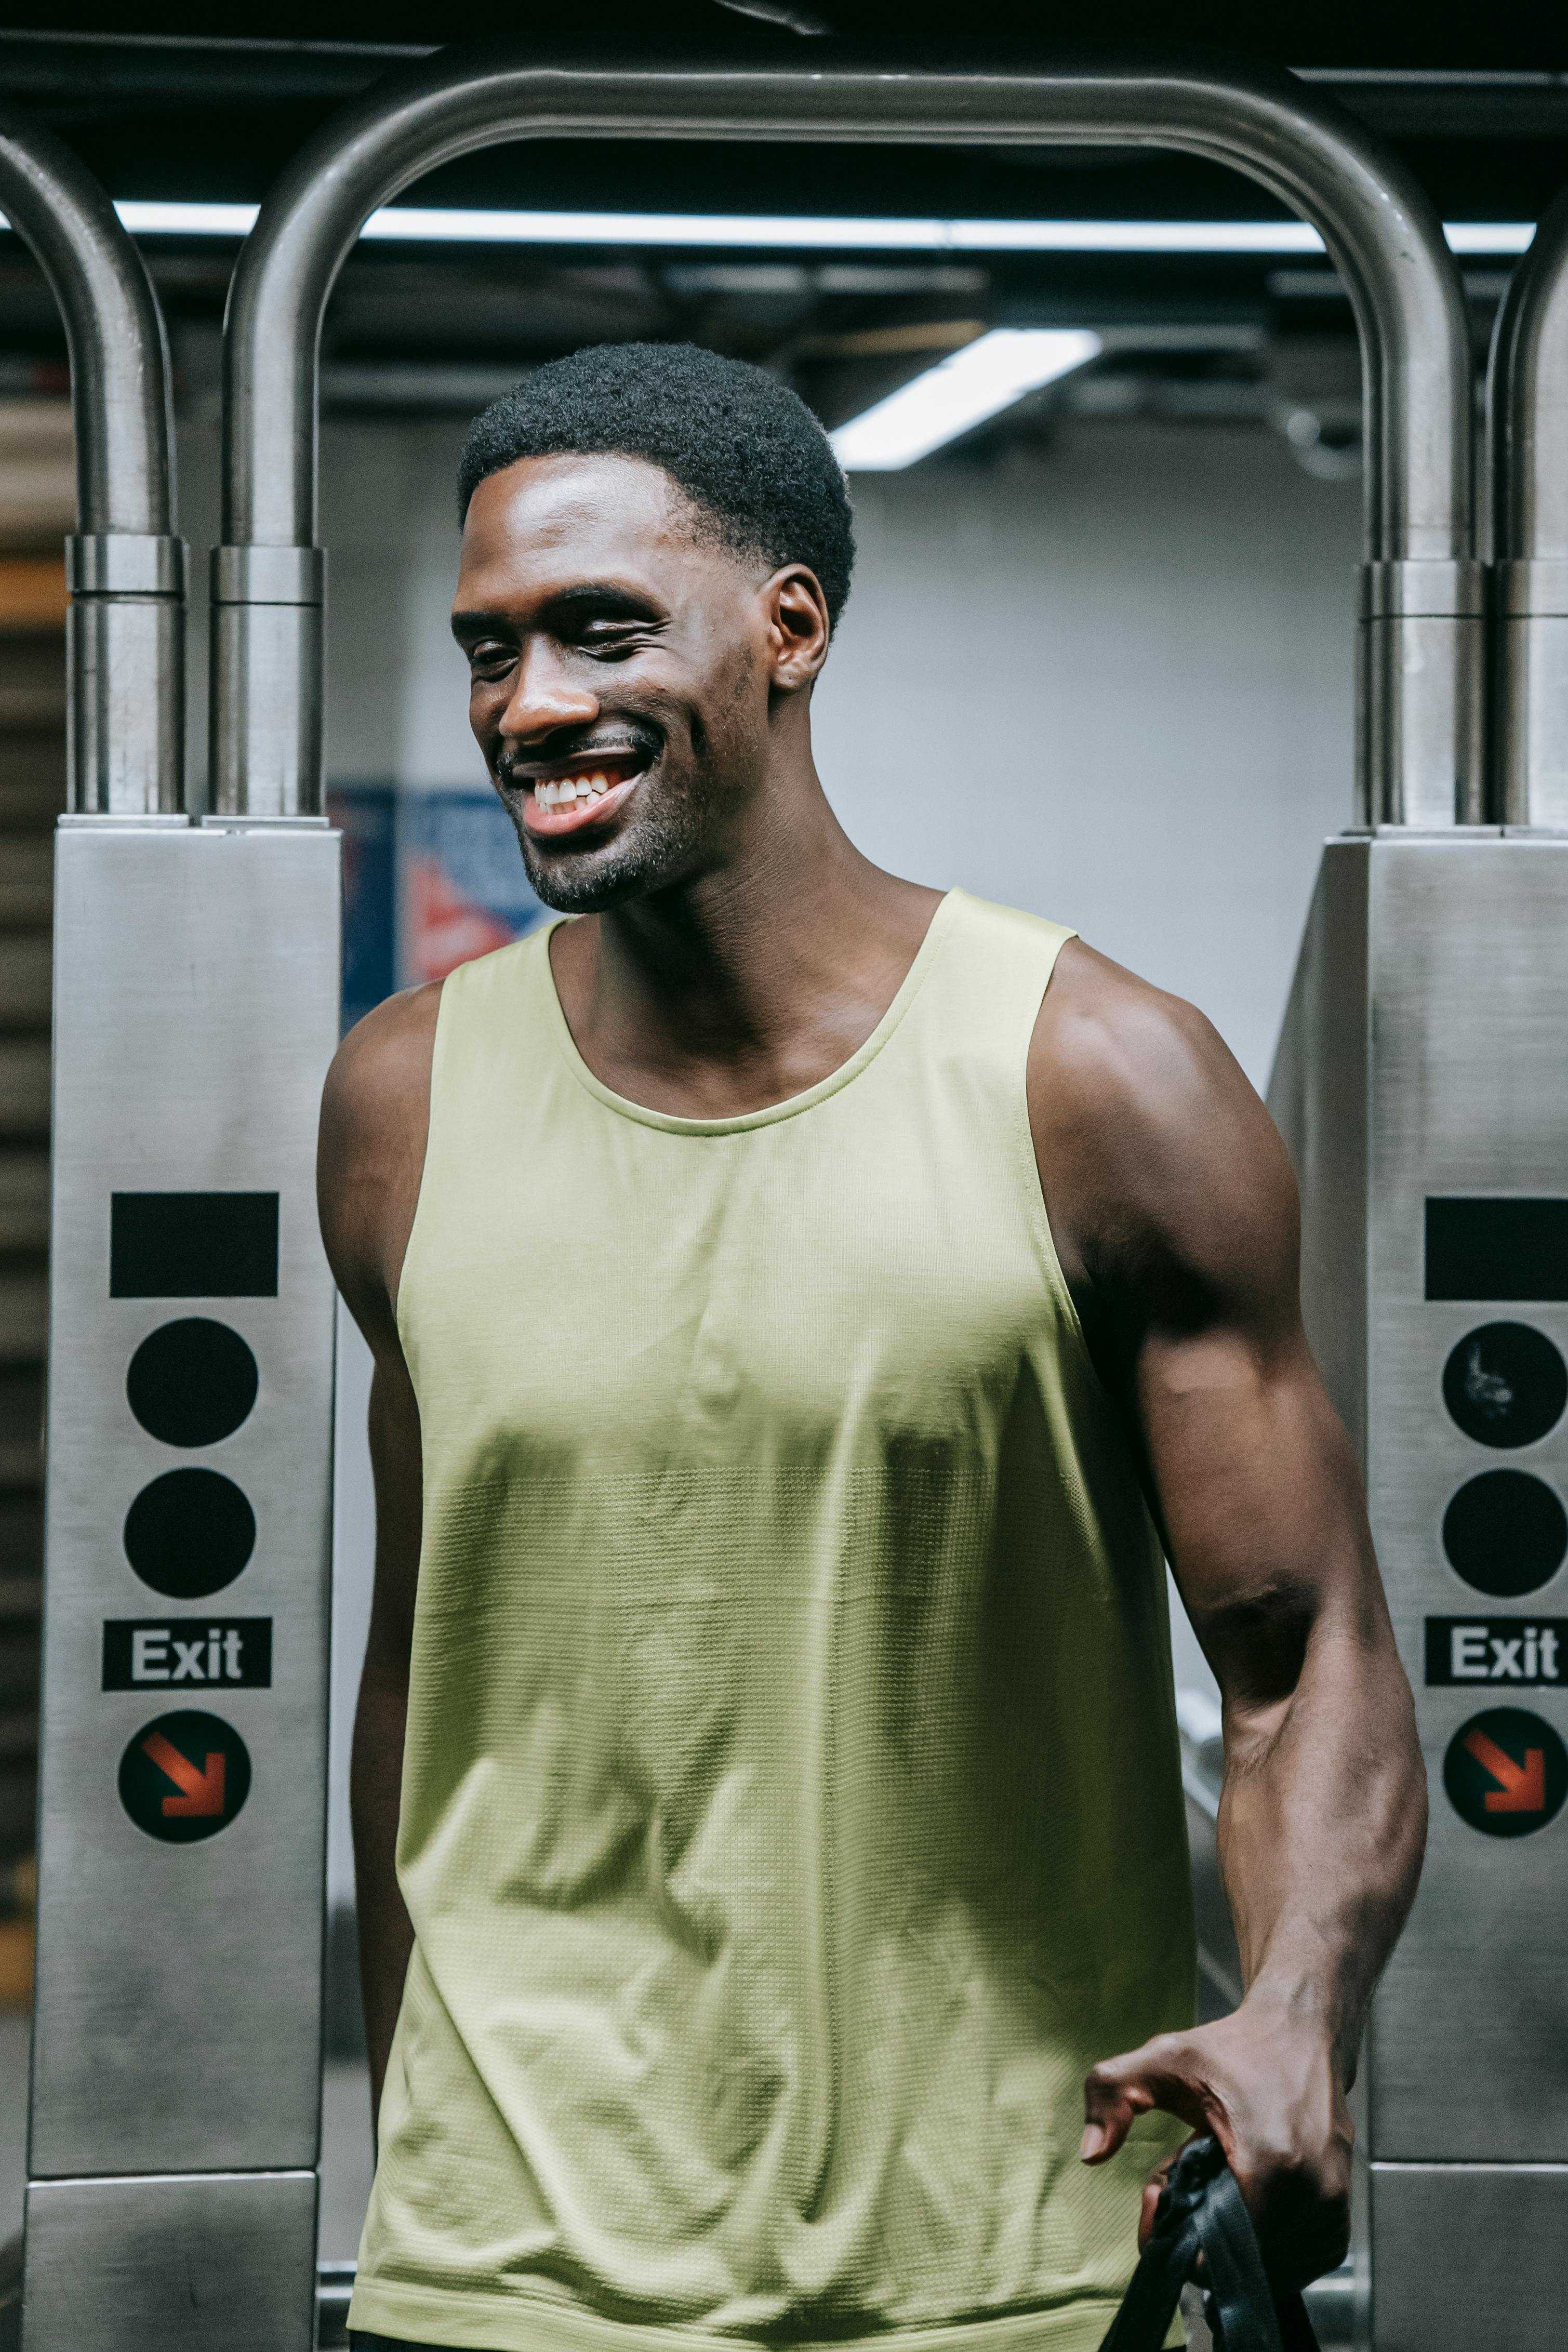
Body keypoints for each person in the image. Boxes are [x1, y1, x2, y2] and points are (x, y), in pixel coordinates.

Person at [320, 341, 1425, 2352]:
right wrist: (418, 2130)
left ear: (789, 628)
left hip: (1005, 2255)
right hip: (502, 2270)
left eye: (596, 631)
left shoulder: (1096, 1077)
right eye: (490, 649)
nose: (531, 706)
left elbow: (1299, 1654)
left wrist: (1290, 2009)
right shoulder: (401, 1102)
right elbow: (432, 1651)